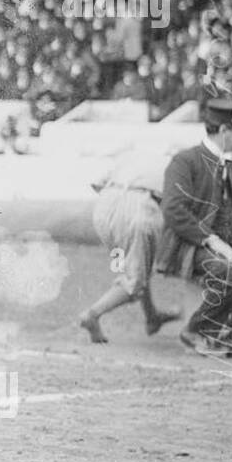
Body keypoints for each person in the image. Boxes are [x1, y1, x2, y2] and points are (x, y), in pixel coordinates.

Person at [157, 94, 232, 357]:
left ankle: (228, 335)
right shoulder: (185, 161)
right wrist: (213, 241)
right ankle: (195, 330)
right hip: (188, 247)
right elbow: (173, 209)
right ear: (225, 130)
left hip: (223, 248)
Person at [78, 147, 182, 343]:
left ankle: (152, 317)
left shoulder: (136, 157)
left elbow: (97, 183)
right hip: (139, 208)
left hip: (104, 207)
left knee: (137, 265)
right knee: (135, 278)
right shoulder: (179, 166)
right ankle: (92, 314)